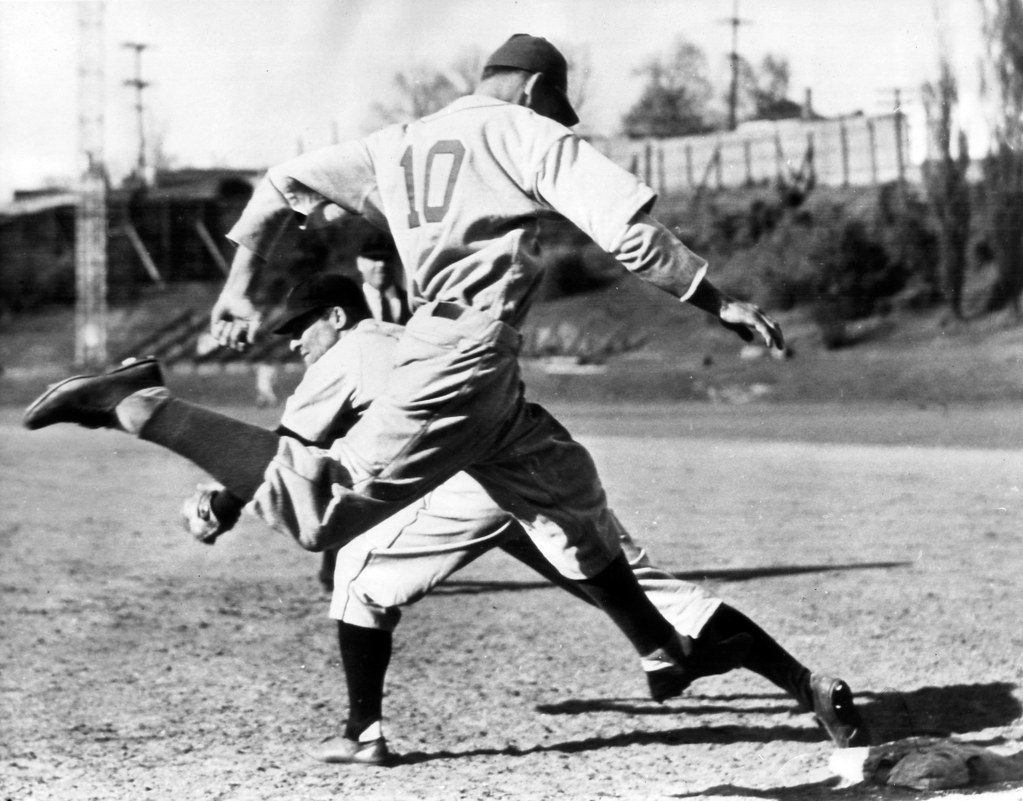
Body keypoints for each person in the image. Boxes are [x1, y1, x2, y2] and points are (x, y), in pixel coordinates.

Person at [25, 33, 792, 760]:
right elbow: (628, 233)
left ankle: (660, 648)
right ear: (533, 89)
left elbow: (282, 183)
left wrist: (237, 288)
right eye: (553, 107)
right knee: (325, 513)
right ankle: (139, 404)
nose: (554, 121)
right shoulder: (524, 131)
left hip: (465, 359)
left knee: (571, 491)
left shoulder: (396, 141)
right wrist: (714, 300)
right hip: (463, 352)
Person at [182, 274, 868, 764]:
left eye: (300, 328)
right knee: (645, 590)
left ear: (333, 316)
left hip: (461, 486)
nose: (294, 342)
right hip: (528, 459)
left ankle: (363, 732)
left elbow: (287, 451)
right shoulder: (414, 332)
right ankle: (805, 684)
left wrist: (224, 502)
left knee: (358, 582)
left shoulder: (347, 350)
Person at [354, 230, 410, 326]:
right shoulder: (352, 304)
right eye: (374, 258)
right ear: (360, 263)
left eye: (387, 258)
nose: (381, 264)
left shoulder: (411, 302)